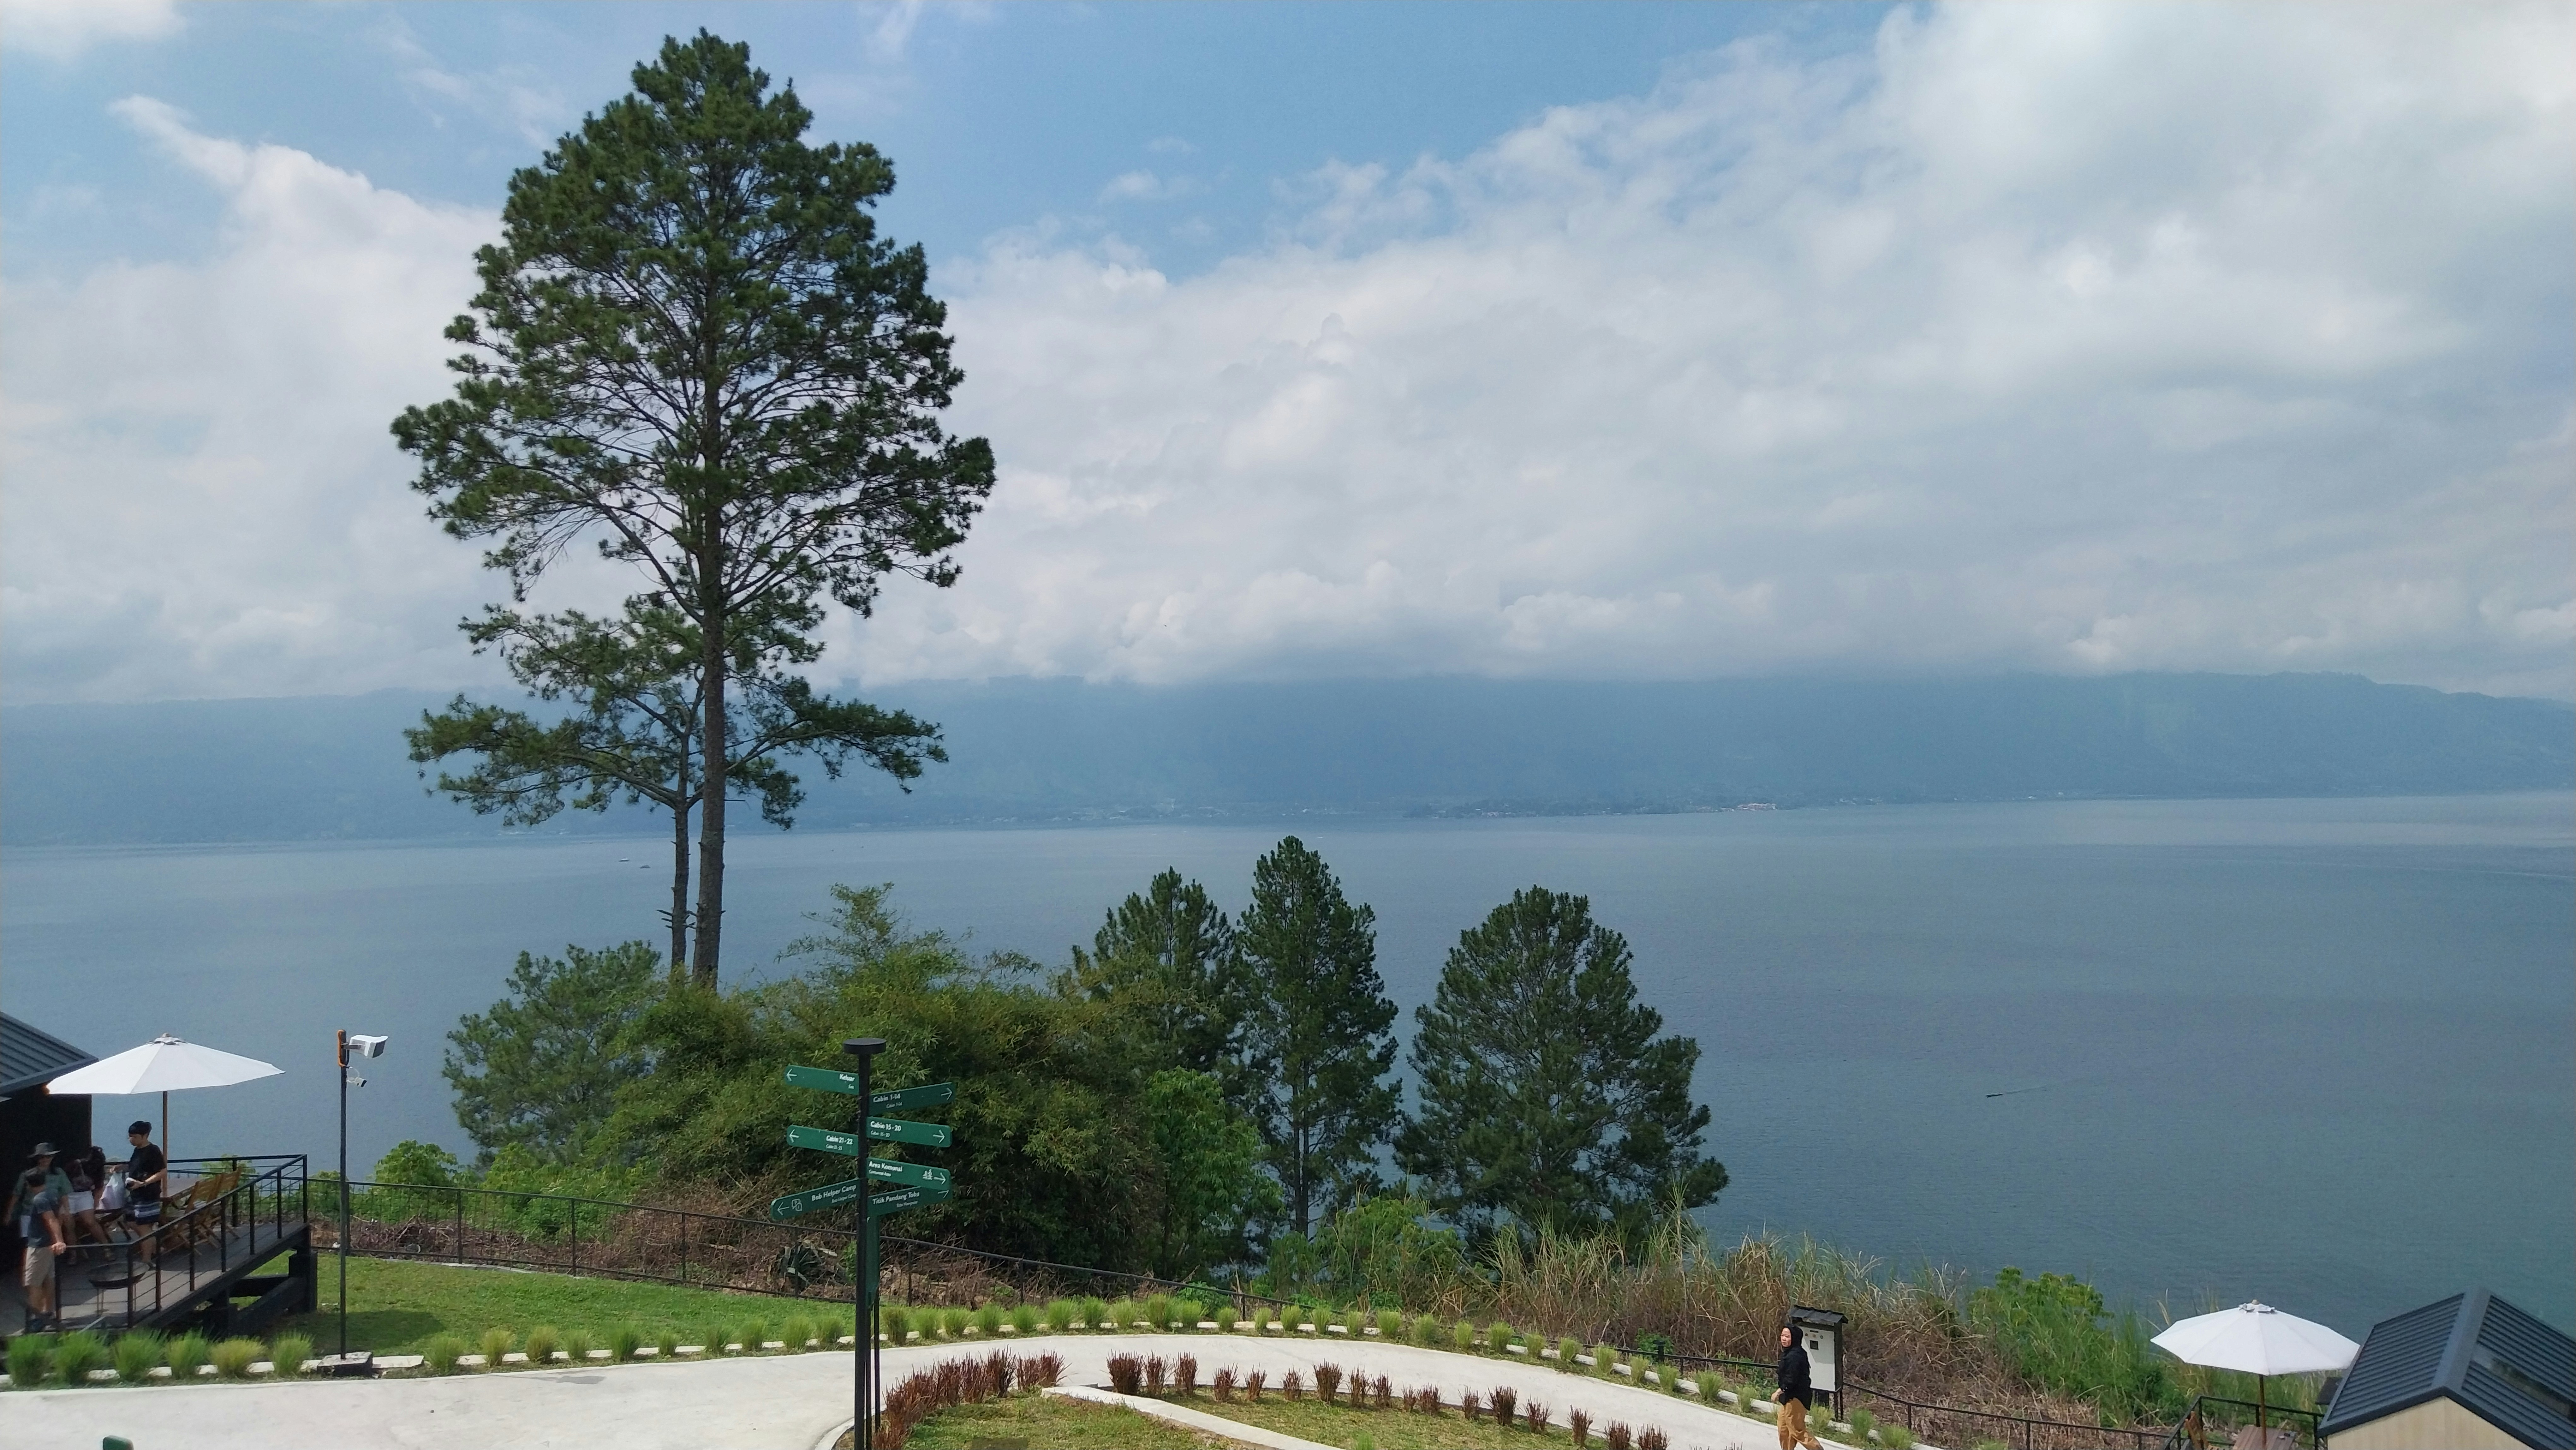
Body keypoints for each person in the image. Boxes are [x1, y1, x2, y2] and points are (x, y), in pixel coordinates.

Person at [14, 1164, 70, 1328]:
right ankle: (48, 1312)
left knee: (33, 1283)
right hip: (47, 1245)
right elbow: (60, 1215)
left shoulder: (39, 1199)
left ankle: (37, 1319)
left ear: (28, 1184)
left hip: (39, 1246)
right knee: (48, 1279)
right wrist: (57, 1239)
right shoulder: (52, 1195)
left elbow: (51, 1219)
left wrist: (59, 1240)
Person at [1774, 1323, 1823, 1450]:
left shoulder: (1795, 1356)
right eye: (1783, 1336)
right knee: (1784, 1429)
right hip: (1788, 1398)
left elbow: (1792, 1379)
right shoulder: (1789, 1353)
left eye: (1787, 1337)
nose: (1784, 1339)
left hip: (1797, 1398)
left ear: (1795, 1338)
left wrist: (1779, 1391)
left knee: (1797, 1430)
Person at [123, 1121, 168, 1241]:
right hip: (134, 1194)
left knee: (144, 1227)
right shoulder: (137, 1151)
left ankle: (148, 1249)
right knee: (131, 1221)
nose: (131, 1140)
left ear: (145, 1136)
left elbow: (163, 1172)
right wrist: (122, 1168)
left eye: (135, 1137)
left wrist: (144, 1183)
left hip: (147, 1195)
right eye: (130, 1137)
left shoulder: (153, 1151)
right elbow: (136, 1167)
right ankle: (152, 1242)